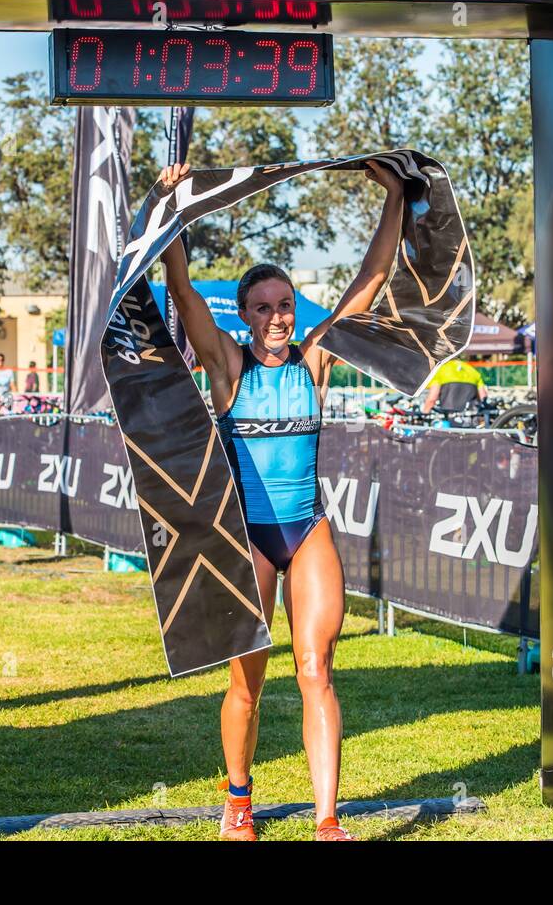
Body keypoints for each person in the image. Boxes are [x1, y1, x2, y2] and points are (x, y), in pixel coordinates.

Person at [158, 158, 405, 842]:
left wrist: (392, 196)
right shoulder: (227, 366)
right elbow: (180, 287)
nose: (276, 317)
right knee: (248, 685)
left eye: (285, 306)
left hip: (306, 529)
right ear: (245, 315)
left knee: (315, 667)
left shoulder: (314, 358)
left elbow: (372, 281)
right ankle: (239, 798)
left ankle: (327, 819)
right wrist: (173, 204)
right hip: (249, 537)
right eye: (263, 307)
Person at [421, 357, 488, 414]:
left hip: (449, 418)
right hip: (469, 419)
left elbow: (432, 399)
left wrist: (424, 413)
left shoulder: (441, 370)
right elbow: (483, 397)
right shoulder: (473, 370)